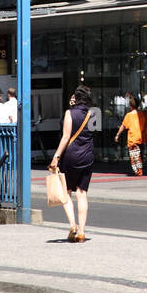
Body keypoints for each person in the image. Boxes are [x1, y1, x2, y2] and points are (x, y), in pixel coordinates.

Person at [49, 86, 95, 241]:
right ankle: (81, 231)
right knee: (82, 193)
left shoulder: (69, 113)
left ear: (75, 97)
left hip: (71, 156)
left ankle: (73, 225)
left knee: (67, 191)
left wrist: (56, 156)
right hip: (87, 156)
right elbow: (94, 131)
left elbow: (65, 137)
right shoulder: (94, 113)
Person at [115, 94, 147, 176]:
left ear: (130, 106)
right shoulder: (142, 115)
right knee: (139, 154)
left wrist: (117, 134)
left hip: (133, 139)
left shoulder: (129, 115)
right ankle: (139, 169)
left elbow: (123, 126)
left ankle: (138, 171)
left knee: (134, 156)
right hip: (141, 138)